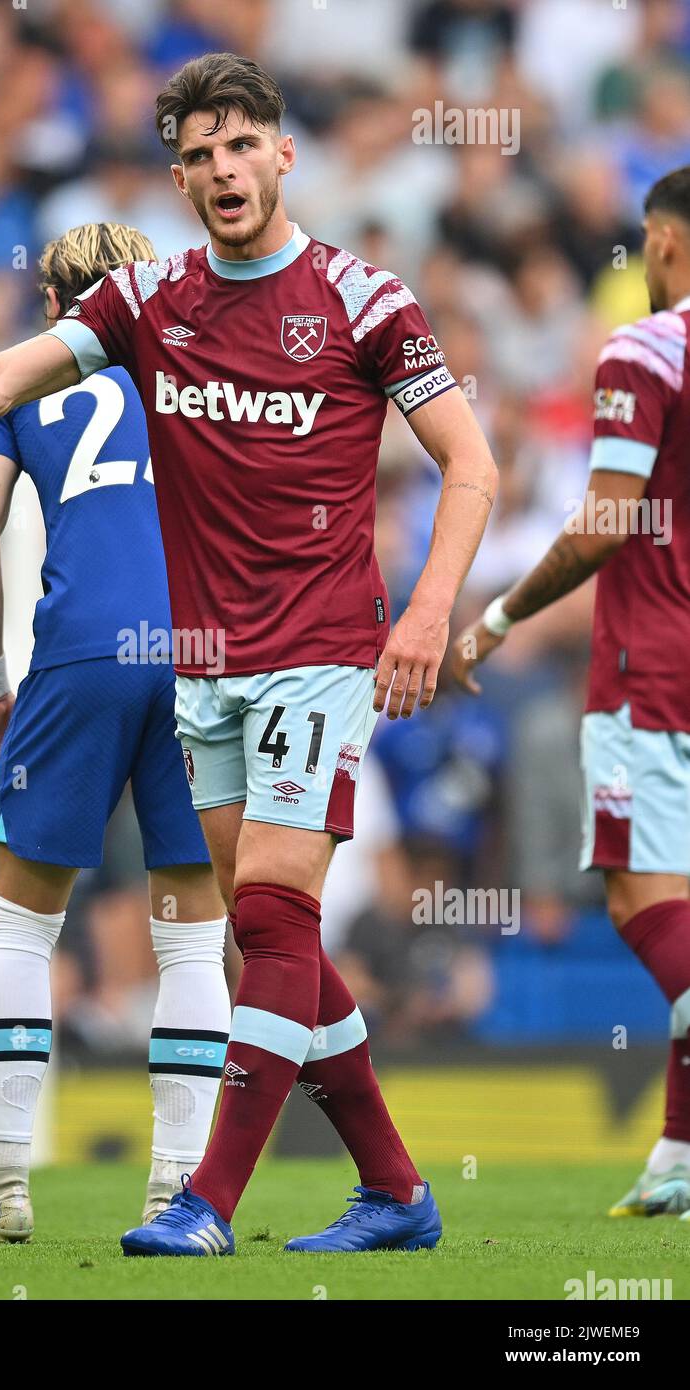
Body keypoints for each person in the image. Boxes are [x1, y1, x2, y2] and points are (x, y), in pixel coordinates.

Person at [0, 52, 497, 1258]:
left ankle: (201, 1200)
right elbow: (2, 376)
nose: (222, 171)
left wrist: (426, 614)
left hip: (320, 650)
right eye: (199, 155)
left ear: (282, 153)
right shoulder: (150, 301)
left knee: (266, 913)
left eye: (240, 146)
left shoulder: (367, 300)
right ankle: (397, 1187)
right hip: (203, 664)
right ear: (179, 175)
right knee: (276, 941)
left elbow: (471, 465)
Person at [0, 221, 228, 1242]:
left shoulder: (19, 385)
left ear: (49, 302)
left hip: (81, 653)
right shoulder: (202, 367)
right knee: (193, 936)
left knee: (24, 924)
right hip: (201, 649)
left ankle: (4, 1187)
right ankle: (176, 1191)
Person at [453, 165, 690, 1224]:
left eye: (649, 241)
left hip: (654, 665)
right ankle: (682, 1155)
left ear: (667, 241)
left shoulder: (644, 350)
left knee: (643, 900)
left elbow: (605, 520)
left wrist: (498, 617)